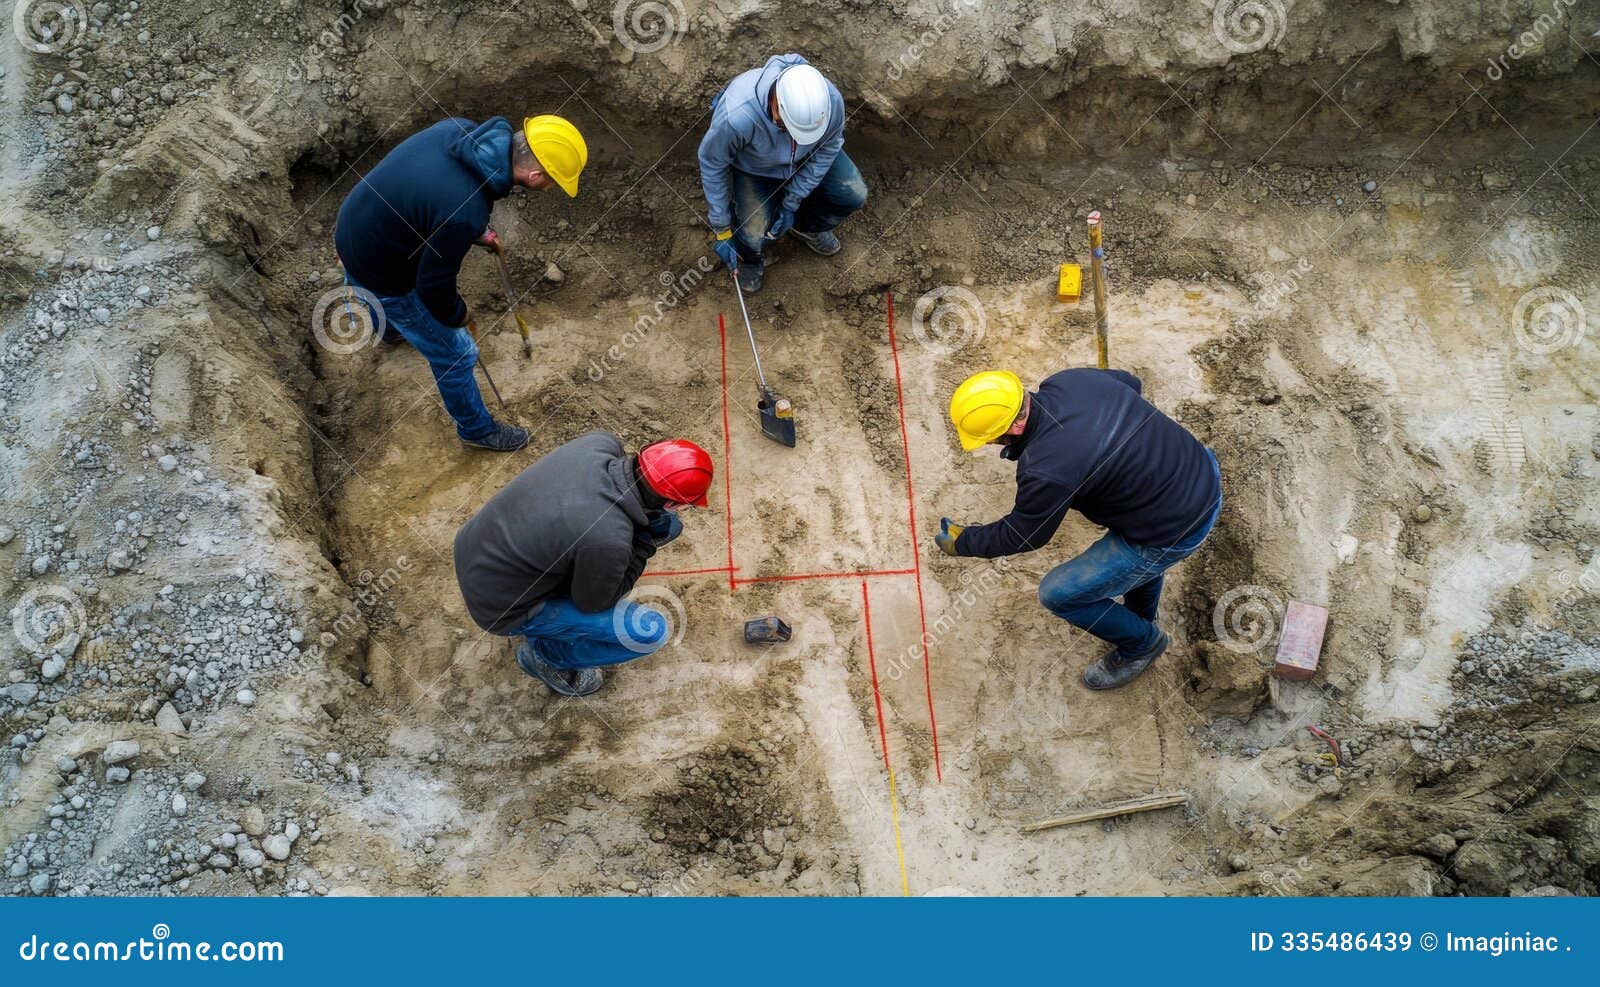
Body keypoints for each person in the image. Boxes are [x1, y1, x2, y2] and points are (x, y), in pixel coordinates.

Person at [935, 368, 1223, 690]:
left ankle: (1143, 644)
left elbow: (1026, 534)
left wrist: (965, 542)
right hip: (1200, 470)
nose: (988, 442)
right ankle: (1139, 617)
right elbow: (1131, 383)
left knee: (1059, 594)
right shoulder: (1068, 381)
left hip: (1174, 530)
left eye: (990, 436)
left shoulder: (1045, 468)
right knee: (1138, 565)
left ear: (1016, 425)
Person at [334, 115, 588, 451]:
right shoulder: (464, 210)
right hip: (383, 267)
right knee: (457, 353)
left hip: (354, 229)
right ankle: (477, 431)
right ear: (535, 175)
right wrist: (458, 315)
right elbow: (432, 287)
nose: (551, 188)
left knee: (379, 289)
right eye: (553, 181)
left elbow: (426, 198)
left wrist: (477, 231)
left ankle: (390, 332)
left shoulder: (460, 130)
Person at [453, 432, 714, 696]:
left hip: (478, 547)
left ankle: (547, 615)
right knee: (649, 632)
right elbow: (593, 603)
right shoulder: (608, 539)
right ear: (671, 503)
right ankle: (547, 656)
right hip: (500, 607)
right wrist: (645, 543)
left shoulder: (599, 443)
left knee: (645, 534)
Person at [698, 54, 867, 294]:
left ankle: (807, 227)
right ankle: (751, 258)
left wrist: (792, 201)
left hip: (807, 156)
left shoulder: (830, 102)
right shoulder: (736, 115)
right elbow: (712, 163)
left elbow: (829, 146)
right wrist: (722, 228)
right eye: (784, 127)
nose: (791, 135)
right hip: (755, 168)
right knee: (753, 232)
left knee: (852, 193)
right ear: (776, 102)